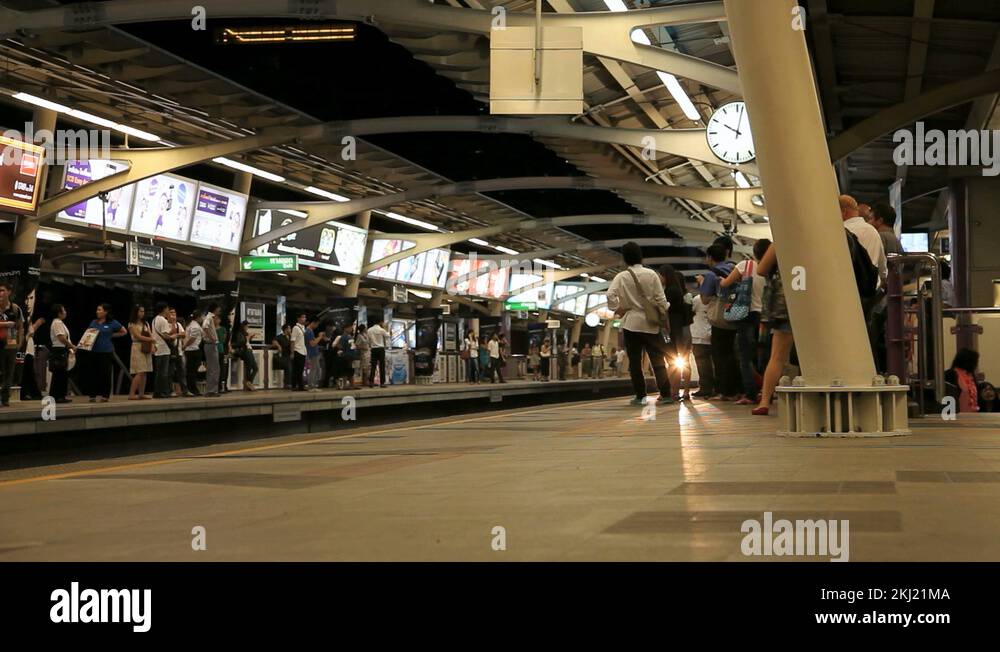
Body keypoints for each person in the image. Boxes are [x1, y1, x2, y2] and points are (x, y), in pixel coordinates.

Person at [607, 241, 672, 406]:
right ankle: (665, 395)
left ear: (625, 258)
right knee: (657, 360)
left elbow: (610, 295)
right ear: (640, 256)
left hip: (631, 324)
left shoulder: (621, 276)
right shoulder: (651, 275)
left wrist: (618, 308)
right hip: (651, 323)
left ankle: (640, 396)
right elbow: (662, 301)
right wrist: (662, 311)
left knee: (635, 362)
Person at [718, 239, 770, 405]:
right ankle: (765, 391)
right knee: (763, 356)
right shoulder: (772, 269)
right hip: (766, 318)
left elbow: (725, 283)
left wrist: (716, 280)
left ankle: (750, 394)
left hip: (747, 316)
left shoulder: (745, 265)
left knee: (745, 357)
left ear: (754, 252)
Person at [753, 242, 793, 415]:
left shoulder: (781, 240)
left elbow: (761, 269)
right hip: (810, 299)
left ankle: (764, 401)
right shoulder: (814, 237)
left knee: (777, 356)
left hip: (785, 304)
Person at [697, 243, 739, 401]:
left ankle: (724, 391)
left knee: (720, 356)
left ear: (710, 257)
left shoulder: (711, 274)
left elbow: (705, 299)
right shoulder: (734, 269)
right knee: (733, 355)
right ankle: (736, 390)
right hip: (736, 314)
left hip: (720, 320)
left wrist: (702, 283)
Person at [658, 264, 694, 401]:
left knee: (672, 360)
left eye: (660, 275)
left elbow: (665, 311)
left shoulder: (670, 291)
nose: (659, 278)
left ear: (665, 275)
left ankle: (672, 392)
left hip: (672, 330)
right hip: (680, 330)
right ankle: (677, 391)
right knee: (679, 361)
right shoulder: (679, 292)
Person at [82, 303, 126, 403]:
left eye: (99, 310)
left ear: (105, 312)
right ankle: (92, 395)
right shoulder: (94, 322)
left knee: (105, 374)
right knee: (93, 373)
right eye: (97, 310)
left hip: (106, 351)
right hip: (94, 351)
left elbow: (124, 331)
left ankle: (105, 395)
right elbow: (88, 334)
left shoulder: (112, 322)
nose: (97, 311)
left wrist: (111, 335)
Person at [0, 282, 24, 407]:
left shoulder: (15, 309)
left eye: (2, 290)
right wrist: (5, 324)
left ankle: (5, 398)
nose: (0, 293)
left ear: (9, 292)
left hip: (10, 344)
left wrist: (20, 342)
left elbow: (20, 327)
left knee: (9, 372)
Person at [48, 304, 74, 403]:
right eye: (64, 310)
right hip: (59, 350)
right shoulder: (57, 323)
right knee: (59, 373)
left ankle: (59, 395)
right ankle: (57, 396)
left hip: (61, 349)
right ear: (59, 313)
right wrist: (71, 346)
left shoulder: (60, 323)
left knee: (61, 373)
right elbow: (61, 338)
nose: (65, 312)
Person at [690, 293, 714, 398]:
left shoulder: (697, 299)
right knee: (712, 364)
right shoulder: (716, 298)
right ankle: (714, 387)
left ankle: (705, 388)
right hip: (711, 332)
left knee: (702, 364)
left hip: (699, 335)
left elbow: (691, 310)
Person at [127, 305, 154, 400]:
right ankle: (131, 393)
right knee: (140, 371)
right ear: (136, 312)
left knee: (145, 371)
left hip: (146, 347)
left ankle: (141, 393)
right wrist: (151, 339)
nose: (142, 313)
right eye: (140, 311)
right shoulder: (131, 324)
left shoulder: (146, 323)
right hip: (137, 347)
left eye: (143, 311)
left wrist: (153, 346)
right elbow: (137, 336)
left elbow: (151, 334)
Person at [945, 348, 981, 413]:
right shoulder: (951, 374)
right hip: (956, 414)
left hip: (972, 415)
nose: (976, 365)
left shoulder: (971, 376)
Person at [150, 302, 173, 399]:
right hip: (164, 349)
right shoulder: (163, 320)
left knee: (158, 372)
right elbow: (165, 335)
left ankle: (157, 392)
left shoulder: (155, 319)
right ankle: (164, 392)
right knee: (164, 372)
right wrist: (175, 336)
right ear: (164, 309)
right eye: (168, 309)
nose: (168, 311)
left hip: (157, 348)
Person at [167, 308, 189, 397]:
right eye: (171, 313)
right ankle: (170, 390)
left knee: (182, 372)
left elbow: (183, 334)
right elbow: (168, 336)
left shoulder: (178, 324)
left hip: (179, 351)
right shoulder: (166, 324)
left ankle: (185, 391)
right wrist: (174, 333)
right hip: (169, 351)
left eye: (174, 312)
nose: (173, 314)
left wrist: (176, 335)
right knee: (170, 373)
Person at [231, 320, 258, 391]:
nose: (247, 327)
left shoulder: (245, 333)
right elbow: (241, 343)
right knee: (249, 366)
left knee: (255, 368)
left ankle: (249, 382)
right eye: (246, 326)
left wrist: (250, 338)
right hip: (245, 351)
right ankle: (248, 382)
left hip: (249, 350)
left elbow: (247, 342)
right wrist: (248, 338)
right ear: (243, 326)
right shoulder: (239, 333)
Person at [201, 305, 221, 397]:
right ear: (215, 309)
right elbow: (205, 327)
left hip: (210, 345)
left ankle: (212, 390)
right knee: (214, 368)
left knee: (213, 368)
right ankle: (211, 390)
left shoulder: (210, 317)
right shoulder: (209, 317)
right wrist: (212, 337)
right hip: (211, 345)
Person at [184, 310, 204, 396]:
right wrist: (185, 346)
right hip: (194, 350)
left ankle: (191, 388)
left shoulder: (190, 324)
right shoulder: (195, 326)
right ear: (198, 317)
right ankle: (193, 388)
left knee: (190, 370)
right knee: (192, 371)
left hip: (190, 350)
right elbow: (192, 339)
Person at [367, 320, 389, 387]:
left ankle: (371, 382)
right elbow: (388, 336)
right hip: (381, 349)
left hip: (373, 349)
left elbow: (368, 341)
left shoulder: (369, 330)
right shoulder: (381, 330)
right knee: (382, 366)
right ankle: (382, 383)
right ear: (380, 322)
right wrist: (386, 328)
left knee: (373, 366)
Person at [271, 323, 293, 389]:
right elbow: (274, 341)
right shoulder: (280, 336)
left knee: (292, 366)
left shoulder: (291, 337)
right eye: (289, 328)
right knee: (288, 366)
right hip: (284, 356)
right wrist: (278, 346)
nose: (290, 329)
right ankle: (287, 384)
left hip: (290, 355)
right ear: (286, 329)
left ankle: (291, 383)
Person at [305, 318, 325, 391]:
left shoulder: (310, 331)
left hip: (314, 353)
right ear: (313, 323)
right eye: (317, 324)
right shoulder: (308, 331)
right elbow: (312, 343)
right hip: (312, 353)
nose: (317, 326)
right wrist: (320, 337)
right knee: (313, 369)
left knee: (316, 369)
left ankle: (313, 385)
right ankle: (311, 386)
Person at [290, 313, 308, 391]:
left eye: (305, 317)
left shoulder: (303, 327)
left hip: (303, 351)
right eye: (303, 317)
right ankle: (295, 385)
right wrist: (292, 352)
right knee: (297, 369)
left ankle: (300, 385)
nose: (304, 319)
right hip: (297, 350)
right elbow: (292, 341)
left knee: (300, 369)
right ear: (298, 319)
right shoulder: (295, 328)